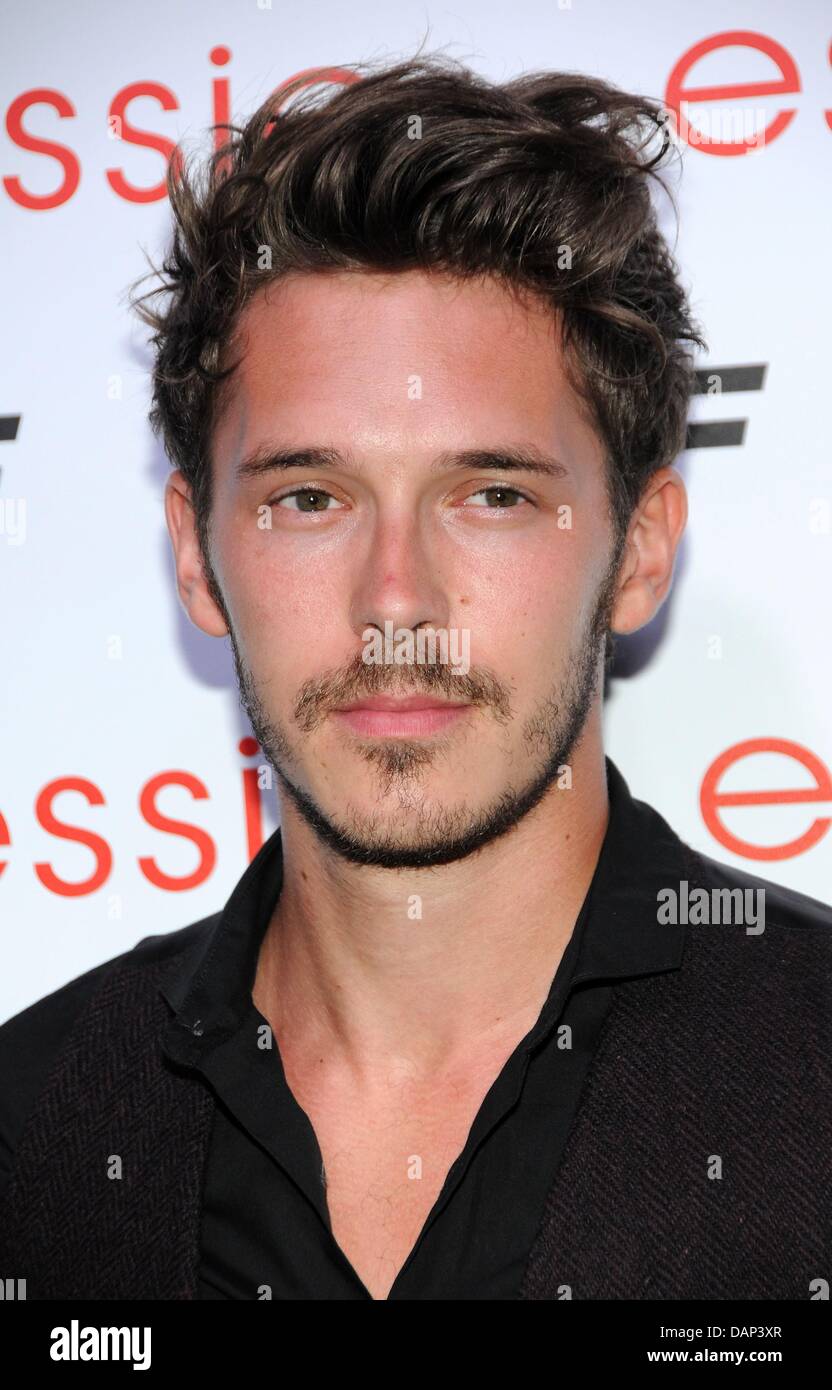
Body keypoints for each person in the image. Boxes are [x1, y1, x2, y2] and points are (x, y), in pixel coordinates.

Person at [1, 53, 829, 1302]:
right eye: (309, 498)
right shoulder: (33, 1136)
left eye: (491, 494)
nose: (395, 599)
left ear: (639, 552)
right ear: (196, 557)